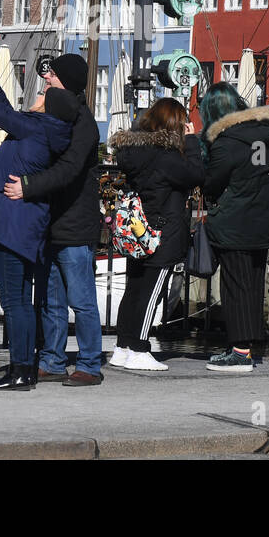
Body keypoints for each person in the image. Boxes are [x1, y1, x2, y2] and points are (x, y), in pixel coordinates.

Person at [0, 43, 77, 391]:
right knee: (21, 299)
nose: (39, 95)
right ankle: (22, 366)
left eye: (44, 94)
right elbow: (3, 110)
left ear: (48, 109)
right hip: (26, 222)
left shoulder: (36, 127)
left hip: (14, 222)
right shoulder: (45, 130)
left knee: (13, 301)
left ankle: (22, 370)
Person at [2, 54, 103, 387]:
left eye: (52, 75)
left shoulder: (84, 123)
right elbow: (33, 149)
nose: (46, 78)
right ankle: (53, 360)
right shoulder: (55, 115)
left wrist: (28, 187)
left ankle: (89, 364)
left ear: (67, 82)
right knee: (51, 300)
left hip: (75, 222)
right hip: (51, 221)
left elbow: (69, 169)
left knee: (81, 300)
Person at [107, 98, 204, 371]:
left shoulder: (136, 151)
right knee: (152, 293)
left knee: (134, 289)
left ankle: (123, 347)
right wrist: (193, 141)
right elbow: (197, 174)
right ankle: (139, 348)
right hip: (162, 232)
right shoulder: (166, 156)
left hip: (139, 230)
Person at [198, 83, 269, 372]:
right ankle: (246, 348)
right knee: (252, 285)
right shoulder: (264, 135)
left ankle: (239, 352)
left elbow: (211, 182)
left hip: (236, 223)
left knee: (235, 286)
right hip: (263, 221)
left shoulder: (227, 142)